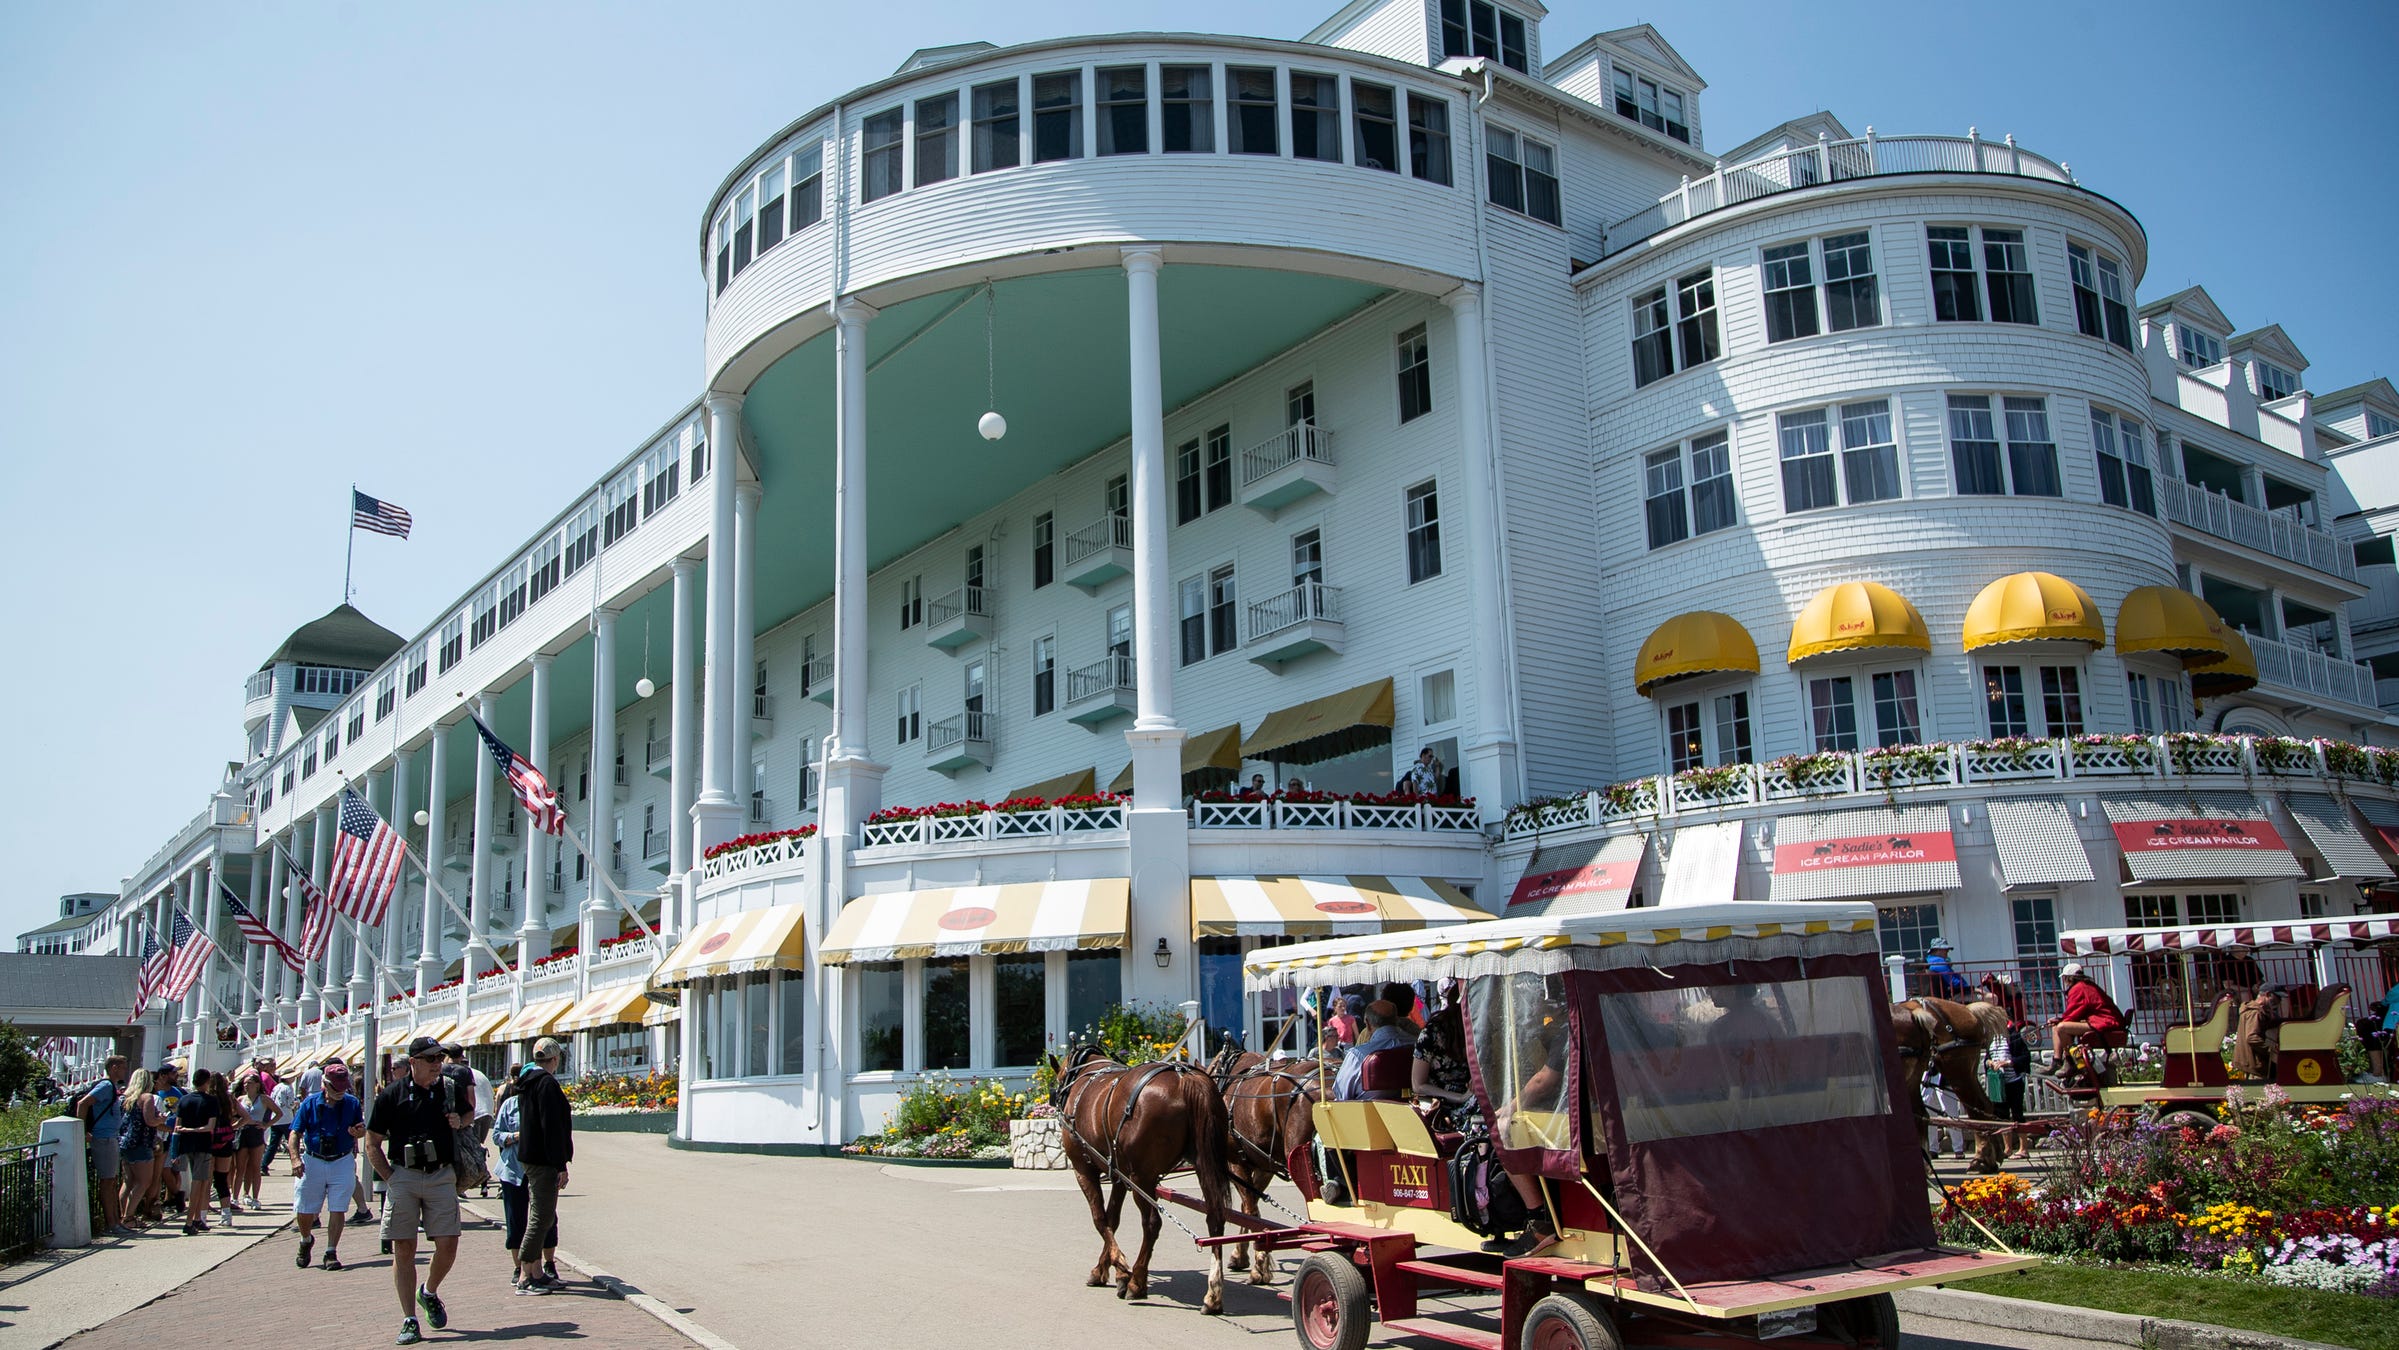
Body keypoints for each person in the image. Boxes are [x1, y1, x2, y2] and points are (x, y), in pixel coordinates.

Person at [368, 1037, 471, 1345]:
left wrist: (459, 1120)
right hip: (404, 1175)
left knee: (449, 1244)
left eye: (439, 1058)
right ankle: (409, 1319)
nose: (437, 1064)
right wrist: (390, 1178)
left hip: (441, 1174)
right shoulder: (391, 1095)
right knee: (404, 1249)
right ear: (412, 1062)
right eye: (430, 1059)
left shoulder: (448, 1088)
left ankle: (429, 1291)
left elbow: (469, 1115)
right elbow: (372, 1143)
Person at [511, 1037, 575, 1295]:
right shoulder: (546, 1083)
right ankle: (526, 1273)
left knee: (543, 1214)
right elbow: (551, 1127)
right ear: (555, 1059)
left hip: (531, 1156)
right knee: (541, 1216)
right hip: (543, 1160)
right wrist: (560, 1164)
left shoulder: (528, 1081)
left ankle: (537, 1270)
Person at [290, 1061, 367, 1270]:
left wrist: (358, 1132)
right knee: (304, 1209)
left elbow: (360, 1128)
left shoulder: (351, 1103)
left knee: (338, 1207)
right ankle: (306, 1240)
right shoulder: (309, 1103)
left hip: (341, 1160)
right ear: (325, 1084)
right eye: (336, 1088)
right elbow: (295, 1133)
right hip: (313, 1159)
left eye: (344, 1088)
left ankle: (331, 1251)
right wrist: (295, 1158)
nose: (340, 1093)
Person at [491, 1065, 558, 1286]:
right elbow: (497, 1135)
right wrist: (514, 1136)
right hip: (513, 1170)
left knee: (545, 1218)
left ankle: (548, 1263)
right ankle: (520, 1268)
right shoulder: (509, 1105)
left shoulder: (540, 1102)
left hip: (538, 1167)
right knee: (516, 1219)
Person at [73, 1055, 132, 1235]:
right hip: (103, 1138)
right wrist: (81, 1131)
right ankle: (111, 1224)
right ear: (114, 1068)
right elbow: (83, 1103)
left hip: (110, 1137)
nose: (125, 1071)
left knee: (112, 1181)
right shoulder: (106, 1086)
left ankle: (116, 1221)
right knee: (107, 1182)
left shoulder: (110, 1087)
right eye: (122, 1067)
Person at [170, 1068, 225, 1234]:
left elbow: (177, 1127)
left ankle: (196, 1219)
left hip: (187, 1145)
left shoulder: (184, 1100)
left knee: (199, 1181)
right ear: (207, 1082)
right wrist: (193, 1130)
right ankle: (190, 1221)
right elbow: (210, 1127)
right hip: (203, 1145)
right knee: (199, 1182)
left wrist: (176, 1149)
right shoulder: (211, 1101)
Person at [1411, 995, 1472, 1129]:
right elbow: (1418, 1085)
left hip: (1473, 1096)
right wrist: (1461, 1097)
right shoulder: (1432, 1033)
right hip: (1442, 1105)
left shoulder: (1479, 1030)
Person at [2049, 963, 2127, 1068]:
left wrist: (2061, 1020)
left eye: (2065, 978)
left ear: (2069, 978)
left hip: (2105, 1022)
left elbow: (2073, 1013)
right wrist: (2060, 1020)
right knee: (2056, 1028)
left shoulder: (2078, 988)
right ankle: (2057, 1061)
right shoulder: (2087, 985)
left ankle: (2070, 1062)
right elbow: (2077, 1011)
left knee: (2061, 1028)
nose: (2064, 982)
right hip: (2104, 1021)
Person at [1333, 1001, 1412, 1100]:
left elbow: (1341, 1095)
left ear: (1368, 1024)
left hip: (1367, 1113)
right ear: (1396, 1020)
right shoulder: (1415, 1044)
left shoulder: (1357, 1055)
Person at [447, 1043, 496, 1197]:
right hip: (473, 1117)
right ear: (462, 1056)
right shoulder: (466, 1072)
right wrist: (466, 1121)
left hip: (445, 1121)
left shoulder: (439, 1070)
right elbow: (471, 1101)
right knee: (473, 1152)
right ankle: (472, 1184)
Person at [117, 1068, 163, 1227]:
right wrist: (160, 1119)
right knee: (144, 1182)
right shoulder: (147, 1097)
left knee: (128, 1181)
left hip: (126, 1143)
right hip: (141, 1143)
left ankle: (124, 1216)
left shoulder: (126, 1098)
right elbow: (150, 1121)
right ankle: (129, 1217)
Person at [233, 1073, 276, 1210]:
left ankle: (255, 1197)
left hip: (256, 1132)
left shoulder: (264, 1099)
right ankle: (235, 1198)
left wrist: (266, 1125)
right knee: (240, 1168)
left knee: (255, 1167)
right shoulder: (240, 1099)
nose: (246, 1085)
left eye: (250, 1083)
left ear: (257, 1085)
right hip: (243, 1132)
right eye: (245, 1083)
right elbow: (233, 1116)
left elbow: (279, 1113)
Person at [1991, 1020, 2032, 1158]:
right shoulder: (1992, 1041)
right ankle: (2007, 1149)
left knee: (2017, 1114)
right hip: (1999, 1084)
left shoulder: (2014, 1039)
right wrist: (1990, 1063)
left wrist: (2008, 1063)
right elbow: (1987, 1059)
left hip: (2014, 1081)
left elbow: (2025, 1057)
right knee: (2002, 1116)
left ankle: (2023, 1149)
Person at [153, 1064, 187, 1219]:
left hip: (176, 1134)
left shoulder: (179, 1092)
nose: (176, 1076)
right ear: (163, 1075)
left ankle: (170, 1199)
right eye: (174, 1073)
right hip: (160, 1135)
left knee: (174, 1169)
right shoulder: (156, 1093)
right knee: (163, 1169)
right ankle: (176, 1195)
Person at [268, 1071, 298, 1170]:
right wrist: (295, 1104)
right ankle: (295, 1163)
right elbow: (289, 1104)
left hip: (275, 1118)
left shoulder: (276, 1087)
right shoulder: (288, 1088)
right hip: (286, 1118)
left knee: (273, 1144)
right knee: (292, 1142)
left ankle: (264, 1165)